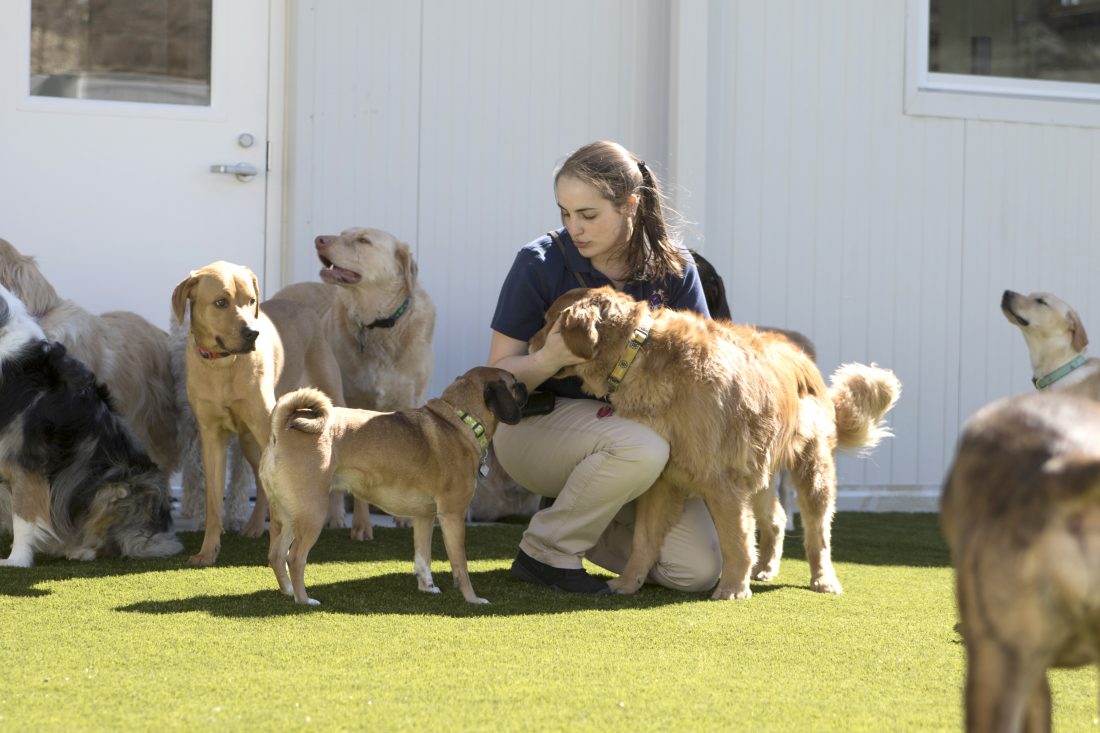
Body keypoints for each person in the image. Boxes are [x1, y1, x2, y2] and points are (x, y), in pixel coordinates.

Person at [487, 140, 722, 595]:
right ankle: (546, 550)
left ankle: (584, 507)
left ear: (630, 205)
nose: (573, 228)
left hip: (646, 434)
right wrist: (550, 358)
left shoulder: (676, 268)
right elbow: (497, 380)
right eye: (565, 213)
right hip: (538, 427)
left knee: (693, 573)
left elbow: (706, 370)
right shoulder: (538, 262)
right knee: (640, 447)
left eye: (588, 215)